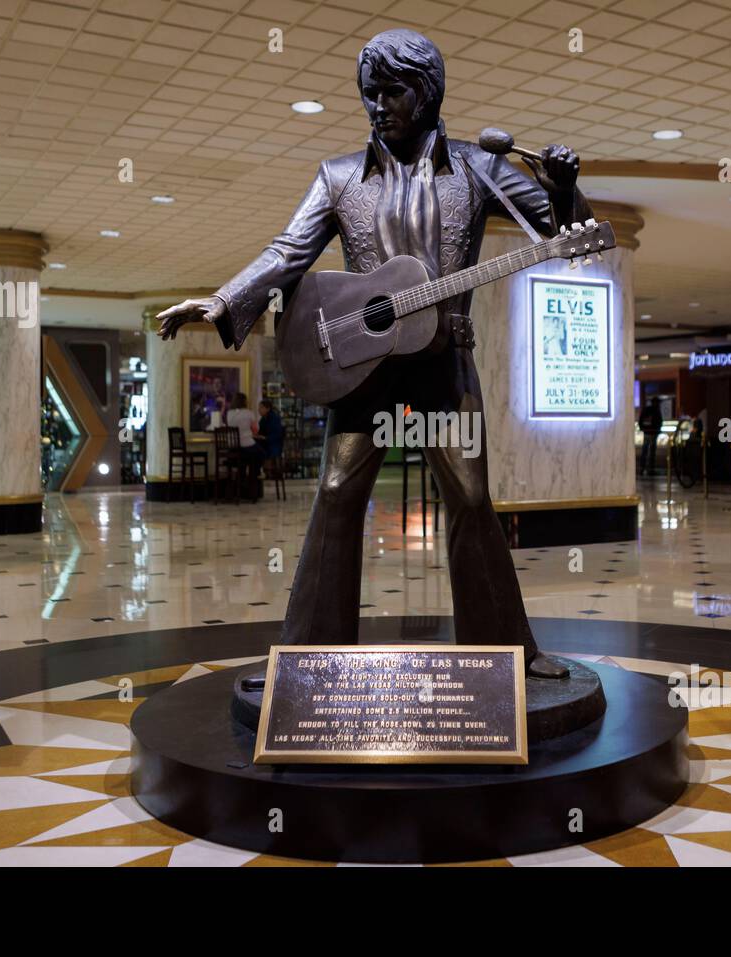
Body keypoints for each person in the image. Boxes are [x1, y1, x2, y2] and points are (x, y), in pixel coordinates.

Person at [157, 29, 593, 679]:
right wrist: (223, 302)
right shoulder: (337, 178)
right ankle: (308, 654)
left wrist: (562, 189)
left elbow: (569, 233)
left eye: (392, 91)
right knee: (334, 491)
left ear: (428, 91)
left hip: (443, 364)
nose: (377, 105)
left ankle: (506, 651)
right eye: (369, 93)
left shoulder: (481, 168)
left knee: (471, 497)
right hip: (364, 367)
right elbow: (287, 252)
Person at [225, 392, 263, 497]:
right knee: (261, 453)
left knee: (243, 462)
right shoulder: (249, 413)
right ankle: (253, 478)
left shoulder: (229, 413)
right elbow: (256, 429)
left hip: (233, 448)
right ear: (244, 401)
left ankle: (241, 479)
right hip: (247, 446)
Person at [640, 397, 663, 476]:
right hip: (653, 433)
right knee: (652, 452)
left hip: (647, 433)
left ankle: (642, 468)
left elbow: (641, 421)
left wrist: (643, 429)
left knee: (645, 451)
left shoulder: (646, 409)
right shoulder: (656, 410)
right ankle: (651, 469)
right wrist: (658, 430)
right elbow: (659, 422)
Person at [258, 399, 285, 464]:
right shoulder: (263, 418)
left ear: (268, 409)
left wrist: (265, 438)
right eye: (259, 407)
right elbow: (261, 431)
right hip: (267, 442)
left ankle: (267, 469)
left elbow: (277, 434)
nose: (259, 409)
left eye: (261, 407)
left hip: (274, 444)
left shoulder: (274, 418)